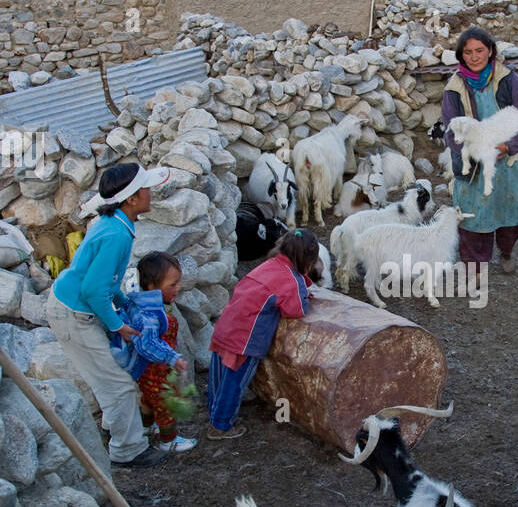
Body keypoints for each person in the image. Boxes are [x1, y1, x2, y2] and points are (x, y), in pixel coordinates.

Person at [46, 161, 171, 468]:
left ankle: (113, 427)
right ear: (131, 199)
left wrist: (124, 300)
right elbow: (92, 290)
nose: (151, 192)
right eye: (146, 188)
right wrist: (118, 325)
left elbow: (103, 280)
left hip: (74, 304)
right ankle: (128, 450)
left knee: (110, 377)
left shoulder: (115, 223)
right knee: (118, 384)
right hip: (74, 314)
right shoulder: (117, 234)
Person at [441, 26, 518, 275]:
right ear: (460, 55)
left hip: (505, 159)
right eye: (468, 52)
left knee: (507, 212)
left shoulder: (508, 80)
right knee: (473, 216)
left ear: (490, 51)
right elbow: (451, 127)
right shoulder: (454, 87)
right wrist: (472, 150)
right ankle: (475, 267)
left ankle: (506, 251)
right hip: (474, 163)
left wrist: (510, 146)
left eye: (479, 50)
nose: (474, 57)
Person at [206, 227, 319, 440]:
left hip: (226, 326)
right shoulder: (290, 280)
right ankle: (220, 426)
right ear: (309, 260)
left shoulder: (269, 265)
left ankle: (214, 409)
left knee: (220, 374)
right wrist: (305, 294)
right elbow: (296, 310)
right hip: (246, 339)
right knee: (235, 382)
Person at [110, 251, 197, 455]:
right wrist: (172, 358)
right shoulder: (147, 315)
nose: (178, 288)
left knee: (149, 400)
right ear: (151, 287)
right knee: (166, 404)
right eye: (172, 285)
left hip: (148, 372)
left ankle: (147, 427)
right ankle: (169, 440)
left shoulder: (143, 303)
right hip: (155, 370)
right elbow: (147, 345)